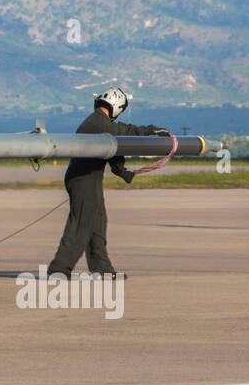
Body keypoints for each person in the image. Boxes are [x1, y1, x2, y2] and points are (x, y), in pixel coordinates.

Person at [46, 87, 167, 277]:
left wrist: (121, 171)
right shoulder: (98, 122)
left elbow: (110, 148)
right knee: (81, 225)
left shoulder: (98, 123)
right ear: (116, 106)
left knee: (97, 224)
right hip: (83, 179)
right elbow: (122, 132)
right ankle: (59, 269)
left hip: (88, 178)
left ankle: (101, 269)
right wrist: (151, 131)